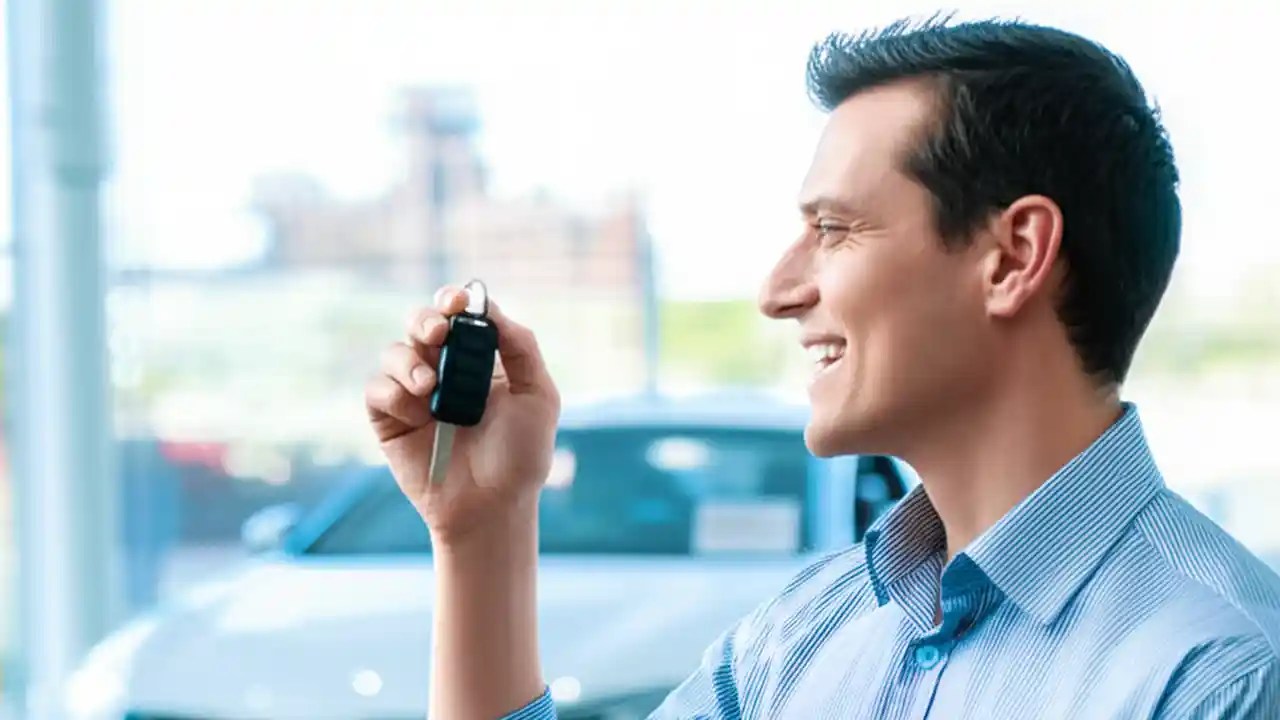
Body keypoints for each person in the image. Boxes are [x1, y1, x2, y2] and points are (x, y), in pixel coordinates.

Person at [364, 16, 1280, 720]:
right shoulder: (805, 634)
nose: (777, 290)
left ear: (1013, 256)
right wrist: (481, 531)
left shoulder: (1217, 671)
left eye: (835, 229)